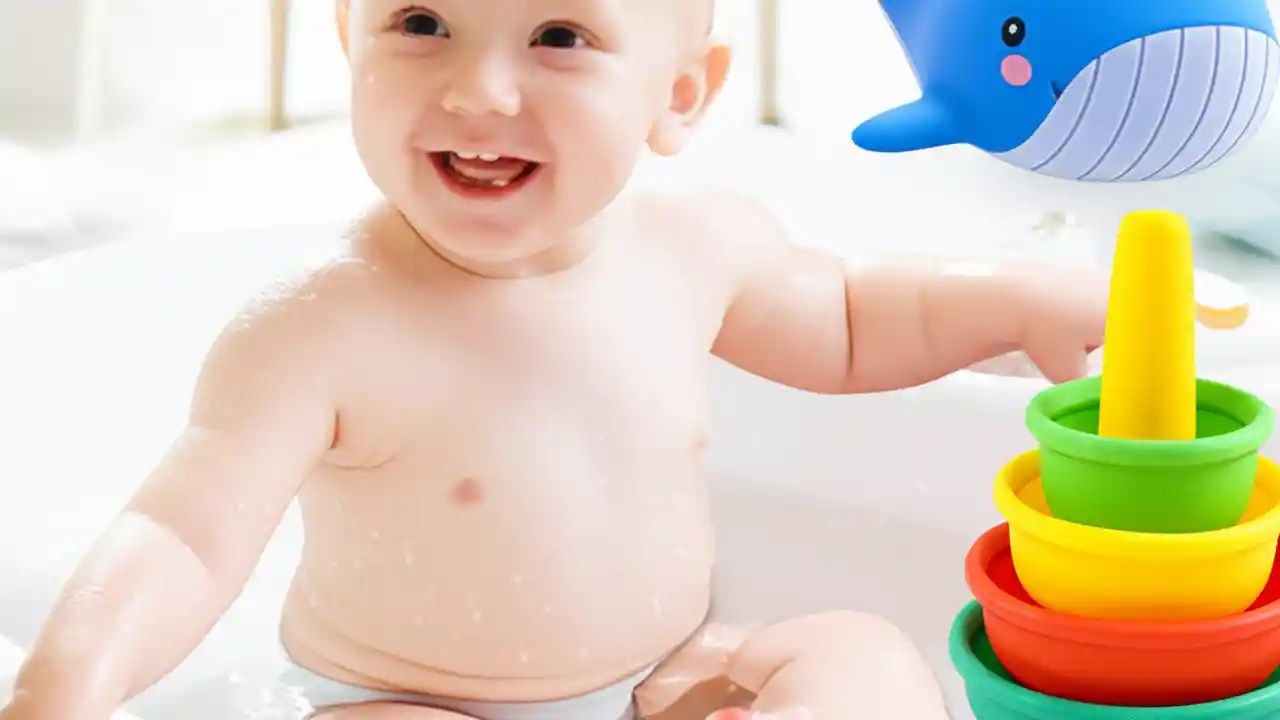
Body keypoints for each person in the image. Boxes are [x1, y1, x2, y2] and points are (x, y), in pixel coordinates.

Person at [0, 0, 1107, 718]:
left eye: (559, 38)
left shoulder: (691, 248)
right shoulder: (317, 326)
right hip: (395, 700)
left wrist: (1010, 302)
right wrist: (68, 679)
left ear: (678, 97)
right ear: (350, 42)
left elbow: (857, 320)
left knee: (858, 659)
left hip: (661, 681)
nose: (478, 90)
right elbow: (185, 537)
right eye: (421, 22)